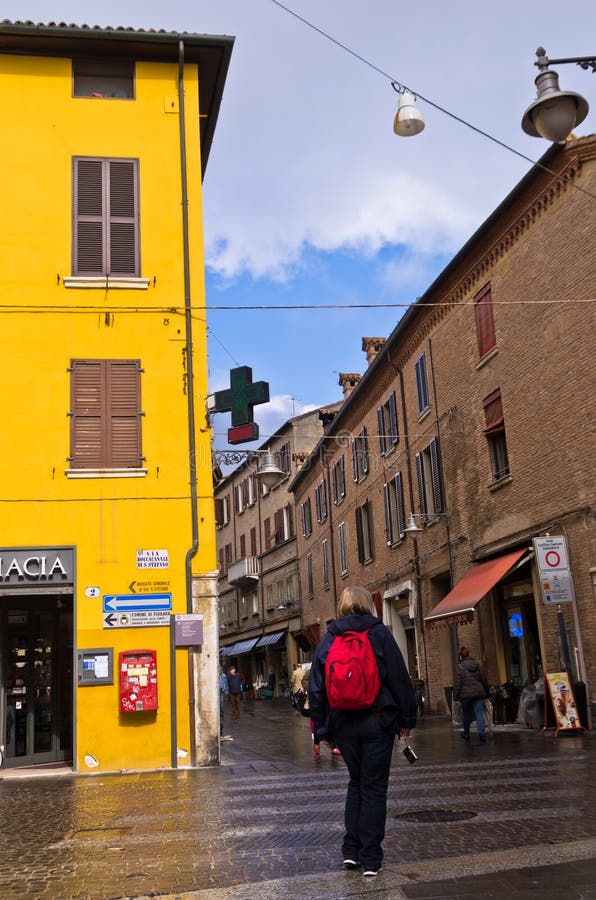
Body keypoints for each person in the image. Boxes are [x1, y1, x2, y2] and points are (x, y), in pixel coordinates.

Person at [309, 585, 417, 878]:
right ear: (367, 604)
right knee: (374, 788)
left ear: (342, 606)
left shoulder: (329, 638)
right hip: (376, 721)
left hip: (342, 723)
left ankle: (350, 852)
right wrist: (407, 717)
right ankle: (371, 858)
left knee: (356, 783)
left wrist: (322, 727)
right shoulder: (378, 633)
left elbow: (316, 687)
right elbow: (398, 676)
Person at [453, 645, 489, 743]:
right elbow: (484, 679)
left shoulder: (459, 667)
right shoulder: (478, 664)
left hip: (466, 695)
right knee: (479, 713)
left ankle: (466, 734)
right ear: (469, 653)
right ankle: (482, 734)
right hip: (479, 692)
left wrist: (455, 697)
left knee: (466, 714)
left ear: (461, 655)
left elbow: (457, 683)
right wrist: (487, 692)